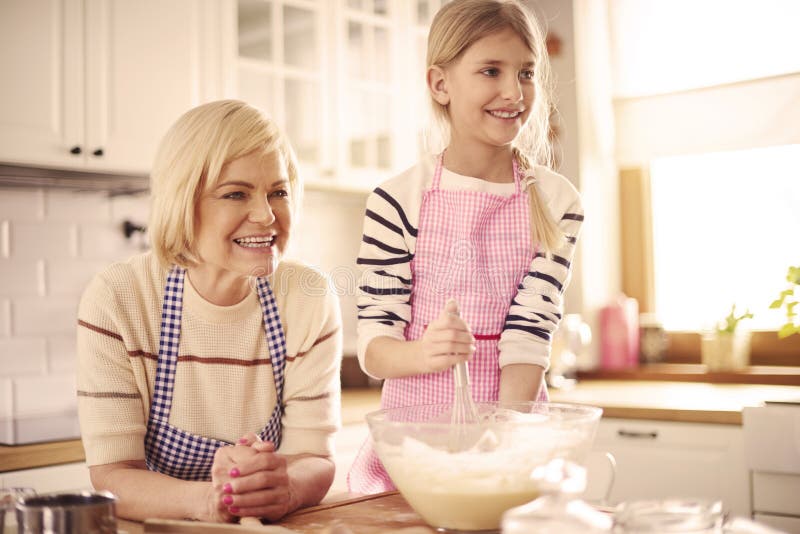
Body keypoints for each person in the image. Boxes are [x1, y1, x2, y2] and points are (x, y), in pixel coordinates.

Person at [348, 0, 584, 493]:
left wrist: (501, 441)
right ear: (440, 84)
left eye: (526, 72)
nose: (513, 92)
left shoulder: (558, 200)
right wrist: (425, 352)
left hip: (511, 445)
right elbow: (374, 346)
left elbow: (529, 334)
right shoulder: (397, 200)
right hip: (413, 452)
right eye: (490, 71)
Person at [76, 100, 342, 523]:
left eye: (278, 192)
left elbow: (314, 457)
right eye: (235, 193)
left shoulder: (307, 297)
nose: (266, 214)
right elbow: (113, 475)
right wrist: (209, 502)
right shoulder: (118, 297)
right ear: (182, 203)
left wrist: (285, 488)